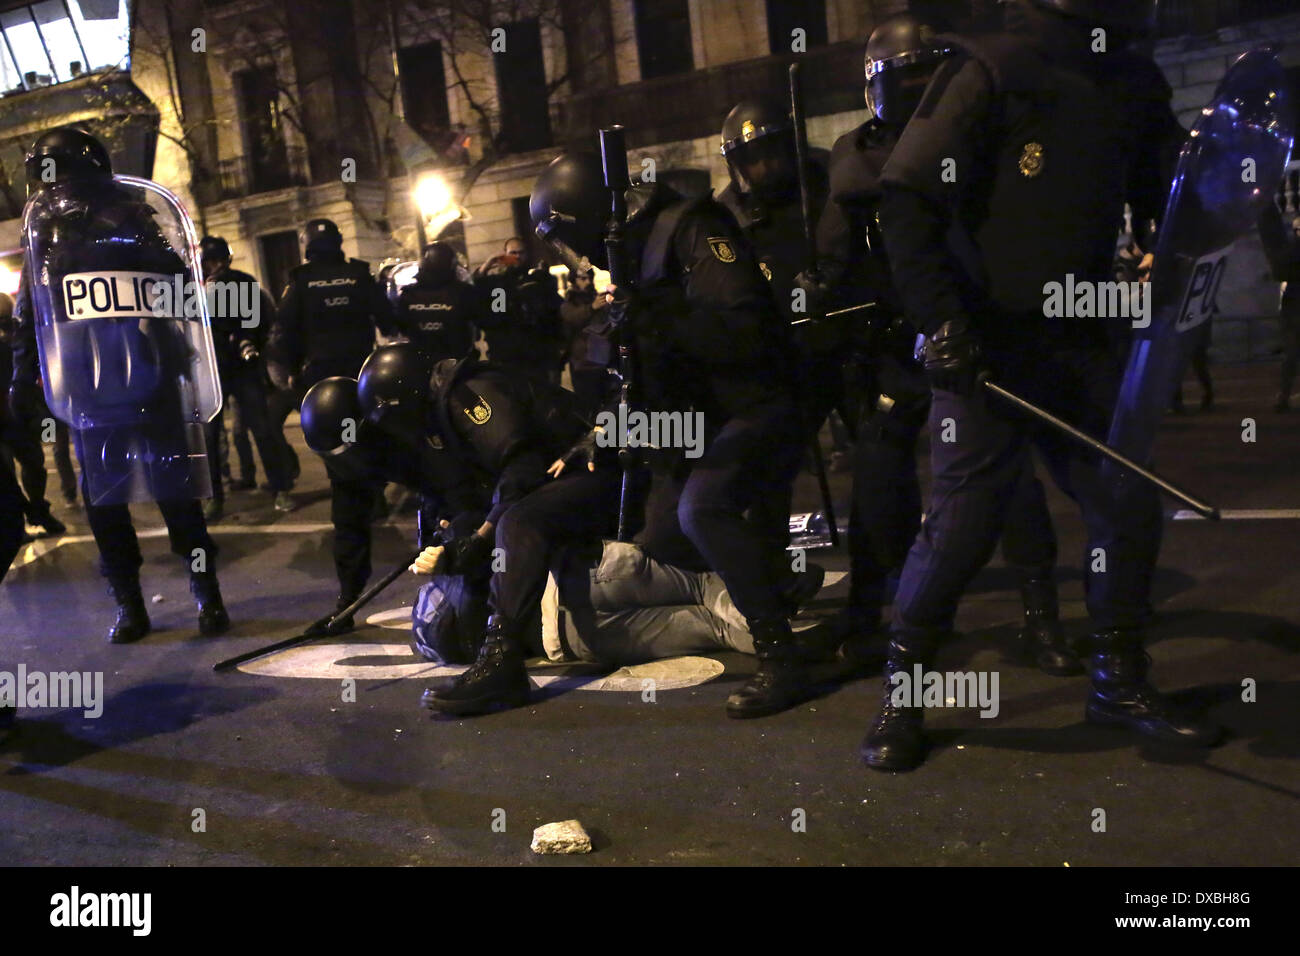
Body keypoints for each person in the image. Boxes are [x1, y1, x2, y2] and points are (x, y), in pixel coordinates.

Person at [859, 0, 1222, 772]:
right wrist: (942, 322)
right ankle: (904, 696)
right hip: (989, 344)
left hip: (1083, 334)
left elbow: (1172, 191)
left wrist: (1197, 219)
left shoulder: (1130, 77)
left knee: (1125, 502)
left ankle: (1118, 682)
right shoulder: (991, 68)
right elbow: (907, 195)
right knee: (962, 523)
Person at [809, 12, 1075, 676]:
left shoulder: (975, 135)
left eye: (929, 78)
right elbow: (857, 211)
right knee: (879, 482)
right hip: (900, 346)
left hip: (972, 333)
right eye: (908, 81)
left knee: (1009, 483)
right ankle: (876, 615)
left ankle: (1042, 615)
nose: (918, 92)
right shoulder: (862, 151)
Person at [526, 149, 824, 720]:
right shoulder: (635, 255)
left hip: (756, 404)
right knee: (662, 540)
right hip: (697, 417)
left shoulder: (690, 230)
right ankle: (772, 582)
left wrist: (656, 317)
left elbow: (747, 334)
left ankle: (780, 654)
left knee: (701, 511)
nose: (578, 255)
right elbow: (640, 371)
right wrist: (604, 433)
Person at [9, 127, 228, 643]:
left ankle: (202, 593)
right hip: (92, 384)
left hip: (143, 374)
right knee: (110, 504)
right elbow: (31, 313)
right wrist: (23, 375)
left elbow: (177, 284)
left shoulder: (131, 216)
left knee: (173, 498)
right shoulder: (46, 233)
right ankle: (136, 602)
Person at [299, 370, 491, 635]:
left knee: (461, 541)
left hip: (477, 483)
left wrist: (455, 537)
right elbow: (349, 525)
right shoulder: (340, 454)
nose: (349, 462)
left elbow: (460, 491)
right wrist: (347, 604)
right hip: (441, 484)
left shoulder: (403, 430)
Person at [265, 218, 393, 490]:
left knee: (332, 431)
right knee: (363, 427)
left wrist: (289, 370)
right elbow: (387, 318)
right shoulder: (359, 274)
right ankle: (374, 490)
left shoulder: (300, 281)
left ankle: (346, 489)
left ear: (307, 246)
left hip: (320, 373)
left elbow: (283, 331)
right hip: (360, 369)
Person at [199, 235, 293, 515]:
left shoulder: (231, 284)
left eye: (213, 261)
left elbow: (261, 323)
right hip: (225, 368)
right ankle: (218, 497)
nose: (213, 267)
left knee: (252, 431)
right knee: (219, 435)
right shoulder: (205, 287)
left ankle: (277, 488)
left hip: (232, 368)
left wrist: (243, 340)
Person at [473, 237, 565, 387]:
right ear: (505, 254)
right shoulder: (498, 285)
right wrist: (487, 266)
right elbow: (490, 310)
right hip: (508, 357)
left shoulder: (539, 281)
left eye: (521, 253)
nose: (517, 257)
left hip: (537, 355)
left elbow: (553, 316)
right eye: (512, 253)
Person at [393, 241, 481, 364]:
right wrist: (497, 289)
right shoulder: (464, 291)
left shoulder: (409, 294)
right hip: (458, 363)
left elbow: (398, 326)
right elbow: (491, 319)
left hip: (419, 362)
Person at [559, 269, 613, 419]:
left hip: (601, 360)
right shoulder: (570, 302)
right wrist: (591, 308)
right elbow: (571, 317)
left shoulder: (595, 297)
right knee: (588, 406)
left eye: (589, 278)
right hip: (582, 362)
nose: (587, 282)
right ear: (574, 280)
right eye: (583, 278)